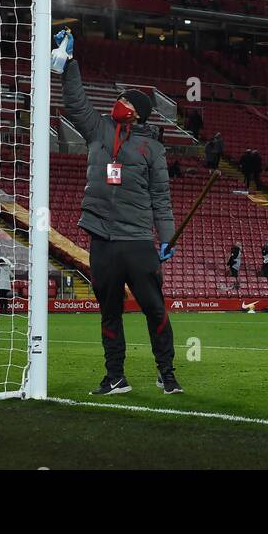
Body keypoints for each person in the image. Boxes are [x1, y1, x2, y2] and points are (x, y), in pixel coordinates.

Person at [55, 29, 182, 396]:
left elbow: (162, 199)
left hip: (139, 241)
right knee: (109, 313)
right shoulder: (98, 130)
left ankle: (167, 373)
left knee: (155, 311)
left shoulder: (152, 150)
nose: (119, 102)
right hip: (102, 241)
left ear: (138, 113)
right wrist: (70, 65)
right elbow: (76, 102)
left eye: (125, 100)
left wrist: (167, 238)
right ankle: (115, 377)